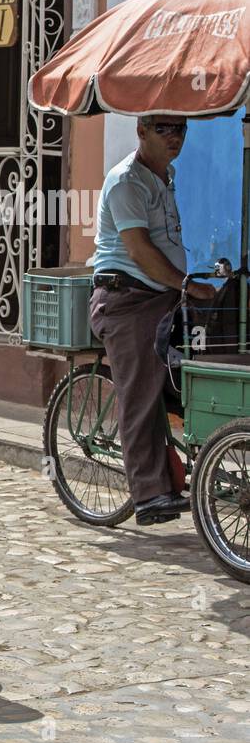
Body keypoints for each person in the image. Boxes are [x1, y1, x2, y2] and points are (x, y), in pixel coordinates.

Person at [88, 114, 217, 526]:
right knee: (141, 393)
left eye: (180, 128)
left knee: (190, 376)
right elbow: (140, 251)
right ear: (141, 130)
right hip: (127, 299)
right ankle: (148, 495)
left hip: (161, 297)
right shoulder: (127, 181)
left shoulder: (165, 177)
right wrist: (188, 285)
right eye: (164, 128)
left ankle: (190, 466)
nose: (174, 136)